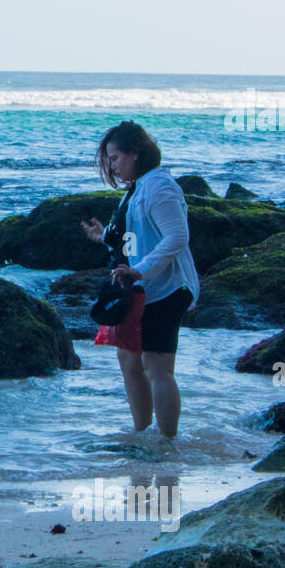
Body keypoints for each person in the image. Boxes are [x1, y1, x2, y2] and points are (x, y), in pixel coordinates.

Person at [79, 121, 198, 438]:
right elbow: (135, 237)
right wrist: (103, 236)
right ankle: (142, 433)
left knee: (157, 367)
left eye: (115, 158)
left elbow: (177, 237)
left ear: (136, 154)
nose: (112, 167)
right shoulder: (139, 188)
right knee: (129, 361)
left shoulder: (159, 187)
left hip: (166, 288)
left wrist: (140, 270)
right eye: (110, 160)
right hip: (139, 288)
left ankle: (167, 442)